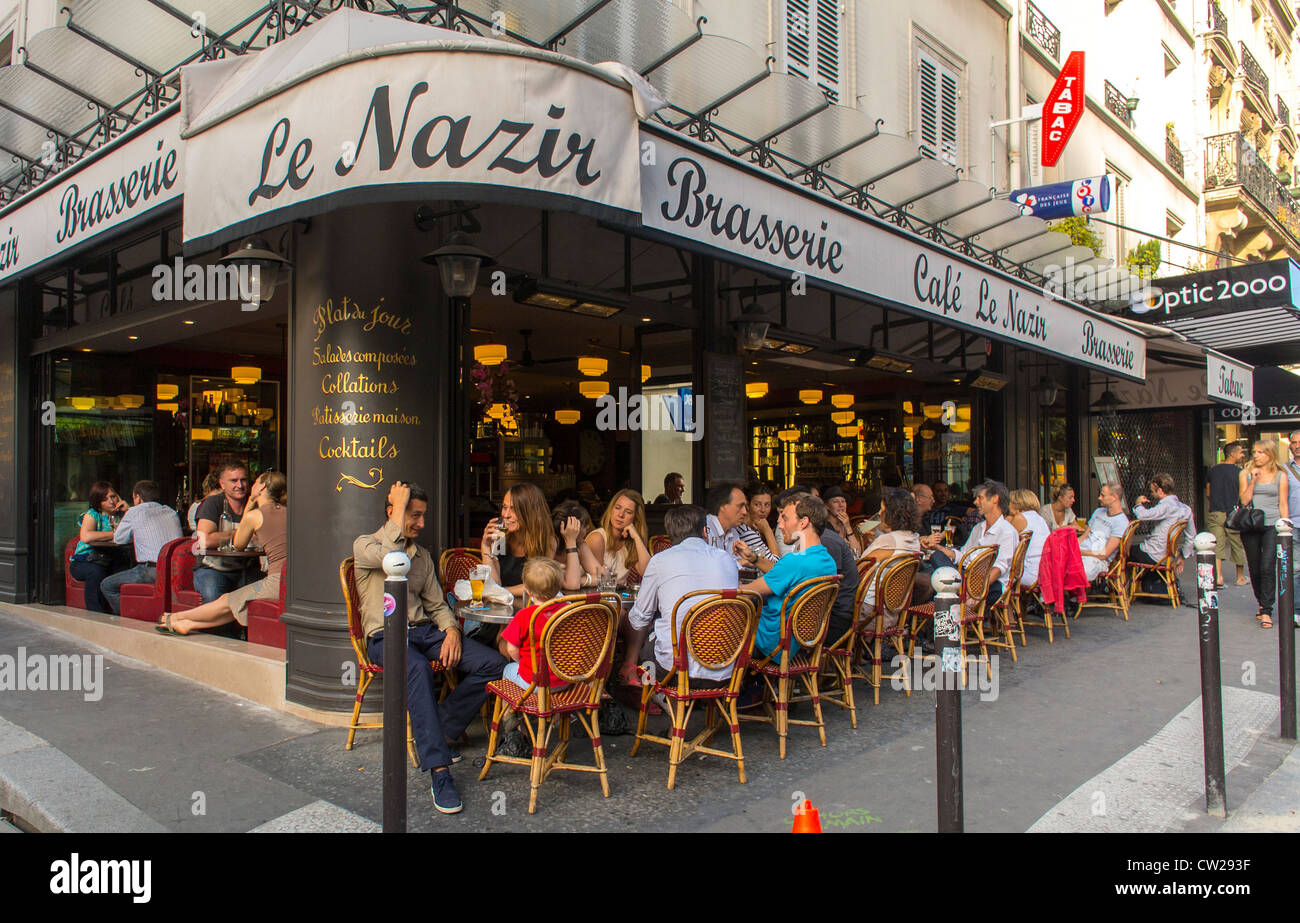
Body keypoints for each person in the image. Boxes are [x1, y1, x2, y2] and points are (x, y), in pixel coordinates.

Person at [354, 481, 507, 815]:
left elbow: (437, 606)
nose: (422, 524)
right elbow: (391, 559)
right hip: (385, 637)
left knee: (494, 664)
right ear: (393, 511)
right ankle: (439, 770)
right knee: (418, 668)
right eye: (415, 514)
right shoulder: (366, 546)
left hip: (425, 633)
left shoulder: (422, 557)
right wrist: (399, 502)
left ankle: (438, 727)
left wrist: (451, 630)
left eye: (423, 516)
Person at [159, 471, 288, 635]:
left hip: (276, 582)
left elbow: (238, 544)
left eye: (254, 482)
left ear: (261, 487)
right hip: (288, 580)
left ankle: (176, 617)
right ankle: (187, 624)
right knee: (229, 601)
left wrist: (250, 502)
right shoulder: (289, 511)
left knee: (228, 601)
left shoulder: (255, 515)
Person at [624, 504, 740, 685]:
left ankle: (653, 695)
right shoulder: (727, 559)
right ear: (704, 531)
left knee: (646, 650)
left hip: (675, 671)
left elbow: (639, 619)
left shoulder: (660, 561)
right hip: (725, 668)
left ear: (671, 535)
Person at [736, 487, 858, 644]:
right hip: (803, 639)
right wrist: (754, 558)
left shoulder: (795, 562)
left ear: (803, 522)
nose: (779, 524)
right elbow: (783, 572)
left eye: (785, 518)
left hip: (773, 642)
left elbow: (746, 592)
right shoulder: (825, 558)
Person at [99, 481, 184, 615]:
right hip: (176, 570)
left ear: (137, 497)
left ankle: (126, 620)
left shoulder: (134, 512)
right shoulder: (171, 512)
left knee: (107, 585)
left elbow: (119, 539)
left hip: (151, 571)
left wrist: (129, 510)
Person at [927, 479, 1017, 602]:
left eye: (980, 498)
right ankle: (954, 594)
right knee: (936, 556)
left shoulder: (1006, 531)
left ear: (995, 499)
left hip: (989, 584)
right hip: (966, 577)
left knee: (939, 583)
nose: (975, 502)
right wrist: (939, 548)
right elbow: (964, 556)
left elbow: (999, 568)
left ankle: (952, 596)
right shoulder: (978, 528)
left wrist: (975, 588)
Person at [1239, 440, 1290, 629]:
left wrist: (1285, 529)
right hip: (1251, 526)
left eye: (1261, 452)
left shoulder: (1280, 475)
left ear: (1270, 454)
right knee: (1254, 568)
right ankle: (1261, 602)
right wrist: (1253, 480)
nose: (1256, 455)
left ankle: (1267, 609)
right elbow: (1244, 500)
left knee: (1267, 567)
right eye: (1254, 451)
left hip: (1272, 525)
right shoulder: (1245, 473)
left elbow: (1283, 504)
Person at [498, 557, 570, 691]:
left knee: (508, 669)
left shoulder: (524, 616)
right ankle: (557, 711)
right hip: (566, 680)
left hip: (535, 683)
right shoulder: (567, 611)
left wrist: (522, 663)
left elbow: (511, 649)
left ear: (528, 591)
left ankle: (509, 711)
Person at [856, 488, 922, 629]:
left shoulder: (888, 540)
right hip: (893, 610)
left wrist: (872, 542)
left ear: (892, 513)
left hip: (869, 612)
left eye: (882, 510)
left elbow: (859, 571)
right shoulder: (914, 538)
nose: (879, 514)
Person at [191, 463, 257, 603]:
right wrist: (239, 532)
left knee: (266, 596)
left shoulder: (254, 504)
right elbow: (204, 541)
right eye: (233, 480)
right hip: (213, 569)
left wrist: (220, 536)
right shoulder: (213, 503)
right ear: (222, 484)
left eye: (244, 480)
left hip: (247, 568)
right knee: (212, 595)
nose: (239, 485)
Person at [480, 483, 556, 596]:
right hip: (500, 606)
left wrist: (501, 592)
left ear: (530, 512)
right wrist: (485, 547)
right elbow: (494, 583)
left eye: (514, 509)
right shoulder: (500, 536)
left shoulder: (546, 541)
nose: (506, 515)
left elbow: (539, 586)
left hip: (529, 608)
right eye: (504, 507)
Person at [68, 481, 129, 613]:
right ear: (98, 502)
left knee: (123, 570)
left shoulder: (121, 515)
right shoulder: (92, 514)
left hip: (110, 558)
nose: (111, 501)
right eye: (105, 499)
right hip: (85, 560)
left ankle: (121, 612)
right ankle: (95, 615)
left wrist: (128, 510)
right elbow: (86, 536)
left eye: (113, 496)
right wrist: (115, 533)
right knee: (96, 571)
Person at [1131, 473, 1193, 581]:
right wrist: (1183, 556)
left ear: (1160, 491)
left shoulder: (1165, 506)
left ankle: (1121, 589)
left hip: (1153, 554)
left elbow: (1143, 515)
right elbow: (1191, 537)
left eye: (1152, 491)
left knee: (1124, 551)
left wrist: (1138, 504)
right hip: (1169, 556)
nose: (1151, 494)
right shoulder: (1186, 509)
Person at [585, 488, 651, 583]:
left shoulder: (629, 543)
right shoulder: (598, 538)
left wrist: (636, 537)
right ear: (611, 510)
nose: (621, 515)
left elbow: (647, 572)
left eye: (628, 512)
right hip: (597, 596)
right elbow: (599, 582)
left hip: (618, 597)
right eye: (618, 507)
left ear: (636, 518)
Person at [1206, 442, 1249, 588]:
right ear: (1232, 454)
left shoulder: (1213, 470)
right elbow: (1243, 496)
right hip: (1233, 514)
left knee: (1217, 544)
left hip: (1216, 512)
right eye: (1240, 452)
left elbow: (1208, 493)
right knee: (1237, 544)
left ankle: (1218, 577)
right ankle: (1240, 577)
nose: (1242, 455)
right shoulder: (1240, 472)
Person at [1079, 482, 1130, 583]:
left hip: (1097, 560)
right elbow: (1085, 536)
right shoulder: (1098, 511)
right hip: (1080, 552)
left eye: (1103, 495)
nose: (1099, 498)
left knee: (1080, 570)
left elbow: (1104, 554)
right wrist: (1071, 546)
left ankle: (1075, 597)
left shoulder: (1121, 522)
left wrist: (1079, 552)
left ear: (1114, 497)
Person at [549, 500, 602, 590]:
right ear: (570, 527)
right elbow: (573, 585)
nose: (588, 527)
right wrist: (571, 542)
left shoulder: (580, 544)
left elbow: (603, 577)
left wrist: (581, 580)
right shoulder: (551, 542)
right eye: (584, 524)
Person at [1008, 489, 1051, 588]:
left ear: (1016, 503)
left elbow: (1005, 541)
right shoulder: (1039, 518)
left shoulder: (1020, 518)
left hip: (1028, 573)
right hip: (1044, 573)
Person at [704, 482, 748, 553]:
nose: (745, 512)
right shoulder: (704, 529)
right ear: (722, 506)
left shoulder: (733, 531)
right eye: (740, 506)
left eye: (745, 506)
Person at [739, 483, 780, 560]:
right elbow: (776, 565)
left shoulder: (754, 528)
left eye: (767, 505)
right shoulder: (747, 533)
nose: (763, 510)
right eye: (757, 504)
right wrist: (767, 530)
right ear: (747, 506)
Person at [822, 486, 863, 556]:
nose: (841, 505)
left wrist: (848, 527)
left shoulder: (846, 526)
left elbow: (857, 553)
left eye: (843, 501)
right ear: (827, 506)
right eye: (836, 502)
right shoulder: (823, 527)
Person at [1286, 430, 1300, 627]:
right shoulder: (1284, 469)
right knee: (1296, 569)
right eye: (1294, 442)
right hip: (1294, 524)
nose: (1297, 445)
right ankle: (1296, 610)